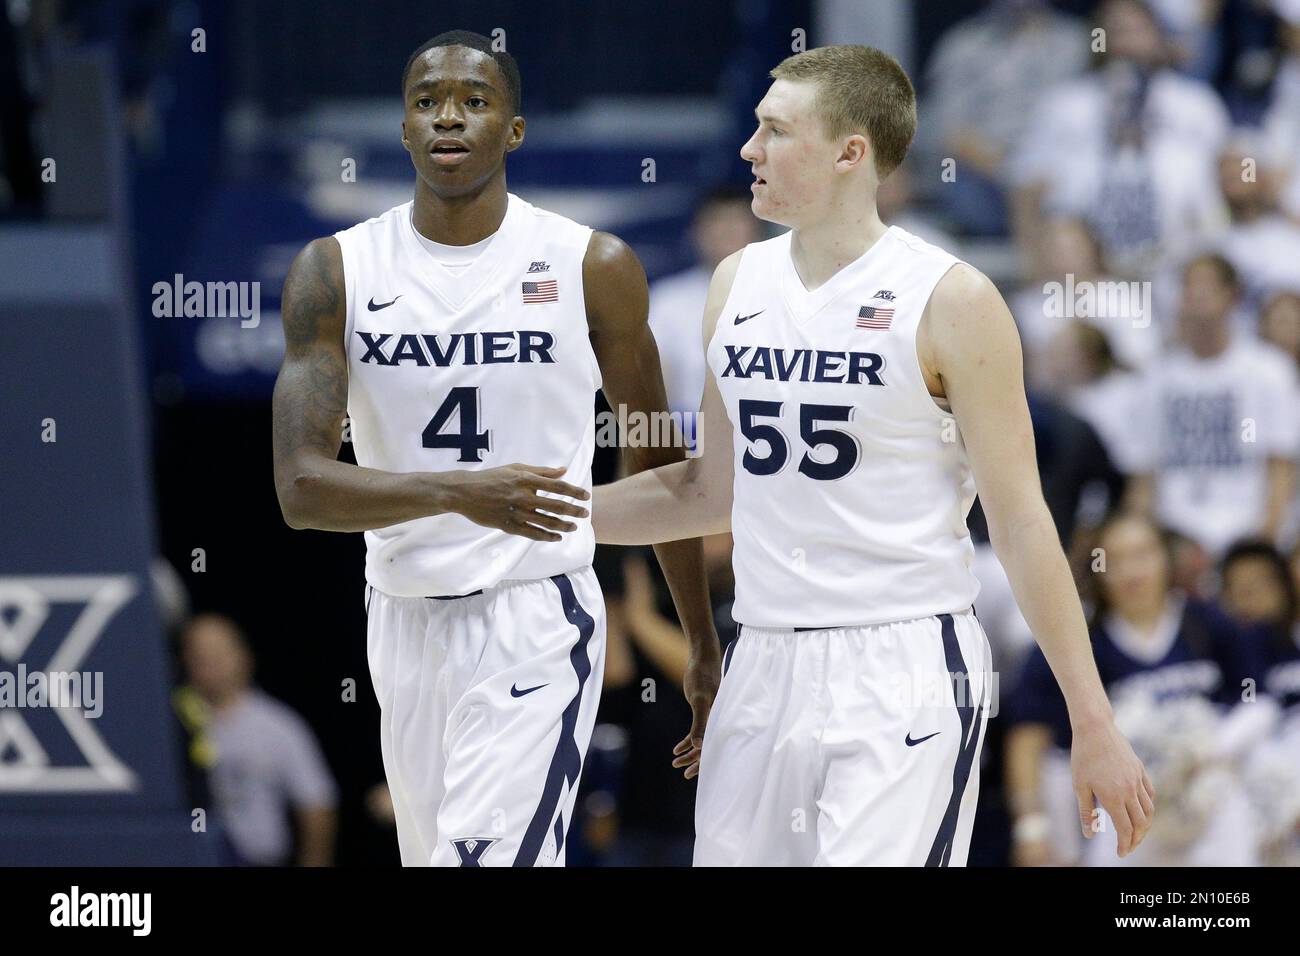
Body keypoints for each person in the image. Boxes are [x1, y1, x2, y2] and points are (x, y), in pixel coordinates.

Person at [593, 44, 1153, 866]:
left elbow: (1024, 520)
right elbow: (710, 492)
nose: (750, 150)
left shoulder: (951, 297)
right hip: (763, 654)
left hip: (901, 663)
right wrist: (514, 511)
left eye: (776, 132)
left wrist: (1092, 718)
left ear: (852, 152)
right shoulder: (735, 283)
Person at [270, 30, 716, 867]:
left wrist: (699, 640)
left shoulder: (594, 265)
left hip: (536, 611)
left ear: (513, 130)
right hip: (401, 618)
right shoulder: (334, 270)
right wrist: (456, 491)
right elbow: (300, 489)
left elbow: (656, 466)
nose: (449, 118)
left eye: (475, 102)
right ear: (403, 129)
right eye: (427, 102)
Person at [1005, 514, 1265, 866]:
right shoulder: (1078, 641)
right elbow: (1029, 737)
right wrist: (1032, 827)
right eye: (1115, 560)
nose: (1131, 571)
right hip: (1120, 808)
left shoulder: (1209, 624)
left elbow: (1258, 702)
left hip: (1209, 800)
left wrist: (1209, 748)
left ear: (1166, 558)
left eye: (1143, 554)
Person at [179, 614, 338, 866]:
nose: (210, 664)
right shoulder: (175, 724)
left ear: (243, 656)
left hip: (258, 859)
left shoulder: (278, 726)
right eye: (199, 656)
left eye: (218, 654)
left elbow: (317, 802)